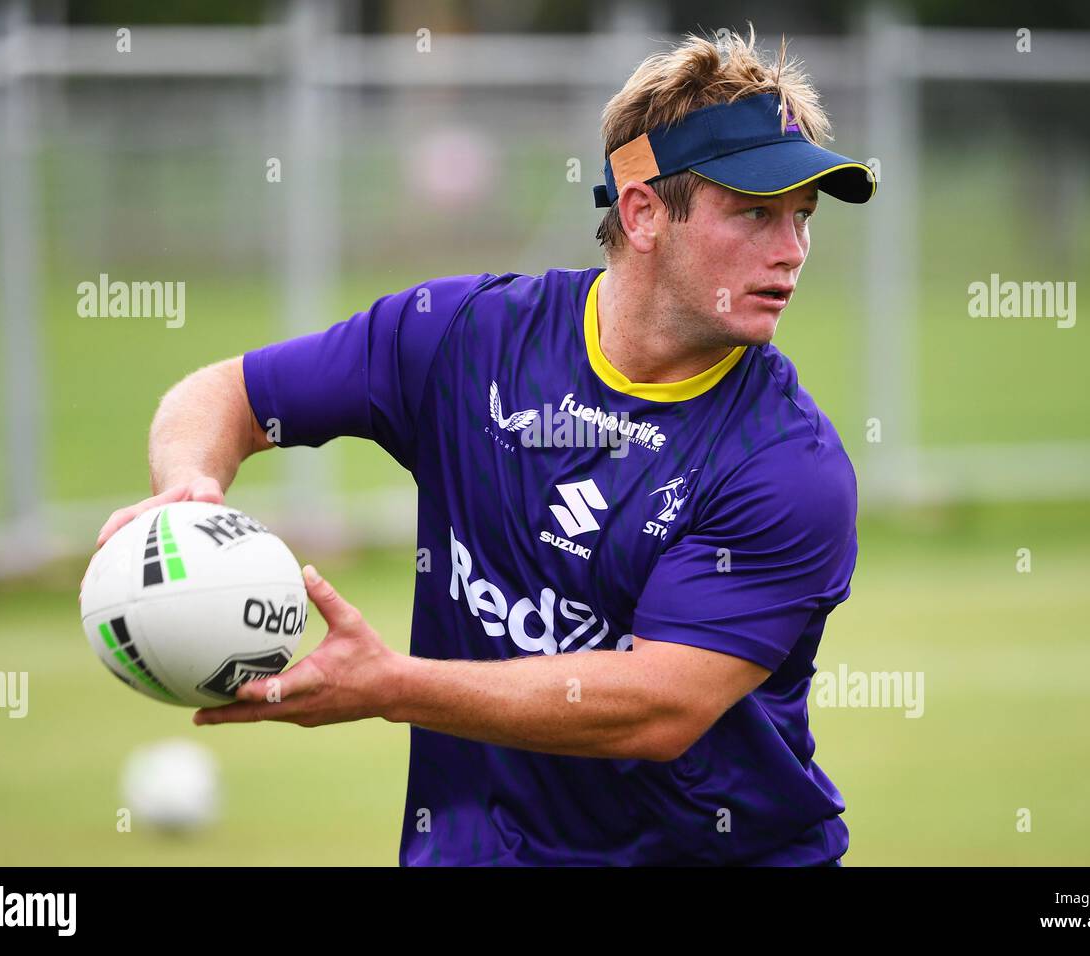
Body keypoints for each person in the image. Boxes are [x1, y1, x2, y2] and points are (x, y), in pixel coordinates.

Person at [92, 27, 876, 866]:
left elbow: (655, 708)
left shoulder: (789, 464)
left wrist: (391, 686)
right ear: (643, 212)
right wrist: (189, 493)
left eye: (802, 217)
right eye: (754, 213)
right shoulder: (463, 337)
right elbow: (224, 396)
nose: (792, 251)